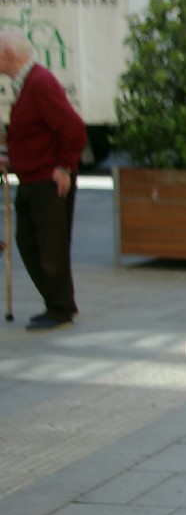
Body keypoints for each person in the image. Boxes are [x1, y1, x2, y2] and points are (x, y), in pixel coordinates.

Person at [0, 30, 86, 332]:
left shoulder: (39, 83)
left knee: (50, 247)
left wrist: (64, 166)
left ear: (9, 54)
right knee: (28, 241)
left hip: (47, 180)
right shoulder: (28, 83)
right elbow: (35, 133)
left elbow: (73, 128)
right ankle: (56, 303)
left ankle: (60, 307)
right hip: (32, 177)